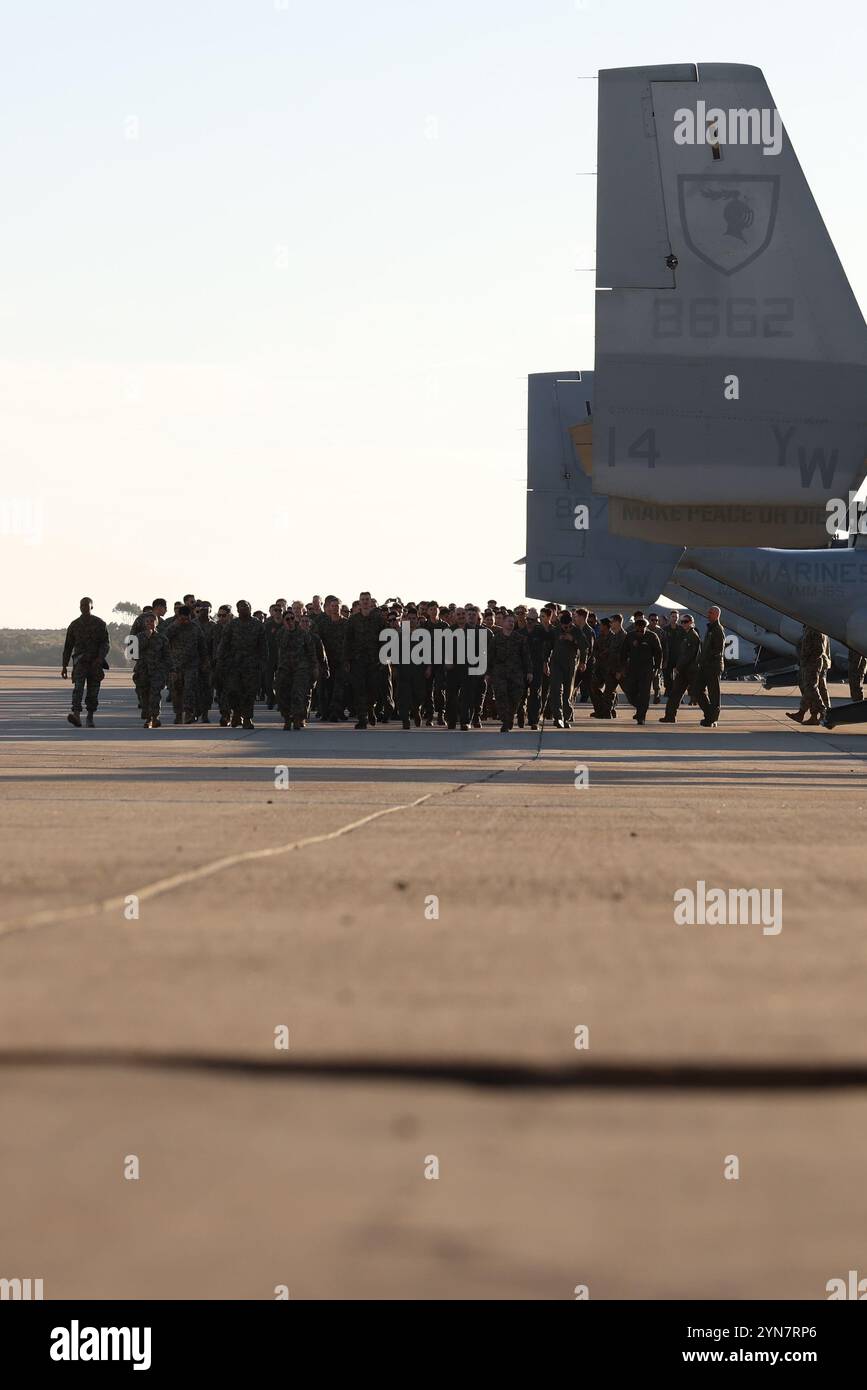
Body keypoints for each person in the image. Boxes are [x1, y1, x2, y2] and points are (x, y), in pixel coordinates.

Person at [62, 597, 109, 727]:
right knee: (78, 689)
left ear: (91, 607)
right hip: (80, 662)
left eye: (86, 605)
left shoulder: (100, 624)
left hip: (95, 663)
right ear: (79, 607)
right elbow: (68, 646)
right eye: (82, 605)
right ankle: (76, 715)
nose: (84, 608)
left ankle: (90, 716)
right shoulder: (74, 625)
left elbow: (105, 643)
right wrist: (64, 666)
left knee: (93, 691)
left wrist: (100, 658)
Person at [219, 600, 267, 729]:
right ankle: (236, 713)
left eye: (246, 607)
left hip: (252, 664)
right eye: (241, 607)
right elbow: (224, 644)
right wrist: (221, 661)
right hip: (234, 664)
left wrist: (263, 662)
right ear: (237, 610)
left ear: (250, 609)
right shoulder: (232, 625)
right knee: (233, 691)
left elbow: (263, 646)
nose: (244, 609)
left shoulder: (258, 625)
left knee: (249, 693)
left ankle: (247, 718)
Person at [343, 591, 383, 729]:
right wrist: (347, 660)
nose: (365, 602)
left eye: (367, 599)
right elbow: (347, 640)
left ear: (371, 602)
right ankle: (362, 718)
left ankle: (371, 708)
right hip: (358, 660)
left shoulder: (379, 619)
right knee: (359, 690)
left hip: (374, 660)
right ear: (359, 602)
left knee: (373, 689)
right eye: (363, 599)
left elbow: (384, 639)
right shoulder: (353, 620)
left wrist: (384, 658)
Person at [274, 609, 319, 729]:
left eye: (292, 619)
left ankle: (298, 717)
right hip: (284, 668)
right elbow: (276, 652)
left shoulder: (304, 634)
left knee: (298, 693)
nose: (290, 621)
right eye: (287, 619)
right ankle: (287, 717)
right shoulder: (280, 634)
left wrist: (314, 668)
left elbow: (311, 652)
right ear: (283, 621)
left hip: (301, 669)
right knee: (281, 693)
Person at [165, 605, 209, 724]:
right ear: (179, 616)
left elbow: (202, 645)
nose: (185, 621)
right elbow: (164, 639)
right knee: (176, 690)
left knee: (190, 689)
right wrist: (176, 625)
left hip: (191, 664)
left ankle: (188, 712)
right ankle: (178, 714)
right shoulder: (173, 627)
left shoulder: (195, 628)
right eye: (182, 618)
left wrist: (205, 661)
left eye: (187, 618)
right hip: (176, 665)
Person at [490, 614, 531, 731]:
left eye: (513, 622)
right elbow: (490, 656)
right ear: (503, 623)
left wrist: (529, 672)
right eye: (509, 621)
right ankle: (505, 721)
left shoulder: (520, 638)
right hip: (500, 674)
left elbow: (526, 657)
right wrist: (488, 673)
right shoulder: (496, 639)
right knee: (501, 697)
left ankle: (510, 717)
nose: (511, 624)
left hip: (516, 674)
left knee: (515, 698)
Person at [659, 615, 700, 723]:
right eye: (682, 622)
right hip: (684, 671)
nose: (683, 624)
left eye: (686, 622)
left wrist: (678, 667)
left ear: (691, 622)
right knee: (675, 694)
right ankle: (670, 716)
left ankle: (710, 715)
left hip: (690, 670)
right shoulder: (686, 634)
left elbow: (688, 655)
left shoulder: (692, 636)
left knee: (699, 694)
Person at [787, 626, 831, 725]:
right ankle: (810, 715)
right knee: (812, 689)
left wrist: (807, 660)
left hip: (812, 663)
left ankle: (823, 711)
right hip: (813, 663)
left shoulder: (815, 630)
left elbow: (818, 650)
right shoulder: (815, 628)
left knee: (811, 688)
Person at [623, 616, 662, 724]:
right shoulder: (630, 636)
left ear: (645, 627)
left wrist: (657, 668)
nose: (640, 632)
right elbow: (623, 652)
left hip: (647, 670)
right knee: (630, 692)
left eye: (642, 630)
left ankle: (641, 717)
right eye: (638, 629)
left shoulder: (652, 636)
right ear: (635, 627)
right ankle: (640, 708)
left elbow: (658, 653)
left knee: (644, 694)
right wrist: (623, 667)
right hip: (632, 669)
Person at [692, 606, 726, 727]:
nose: (708, 614)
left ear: (717, 615)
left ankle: (712, 719)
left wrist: (706, 659)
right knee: (696, 690)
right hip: (705, 666)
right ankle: (709, 714)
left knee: (713, 694)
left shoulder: (718, 630)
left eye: (711, 613)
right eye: (708, 612)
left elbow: (718, 650)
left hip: (713, 666)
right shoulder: (710, 628)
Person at [137, 612, 170, 728]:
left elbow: (167, 656)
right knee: (144, 695)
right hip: (143, 670)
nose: (150, 624)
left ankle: (154, 717)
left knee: (155, 694)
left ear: (156, 623)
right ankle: (148, 717)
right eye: (147, 622)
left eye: (152, 621)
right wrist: (147, 638)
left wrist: (171, 670)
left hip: (157, 671)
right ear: (144, 624)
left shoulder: (162, 638)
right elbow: (132, 654)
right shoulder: (138, 637)